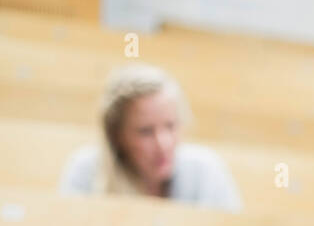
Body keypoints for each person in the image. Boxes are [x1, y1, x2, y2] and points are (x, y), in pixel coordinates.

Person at [58, 65, 242, 210]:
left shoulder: (206, 172)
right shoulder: (87, 171)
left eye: (171, 126)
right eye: (145, 131)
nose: (163, 144)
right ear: (116, 135)